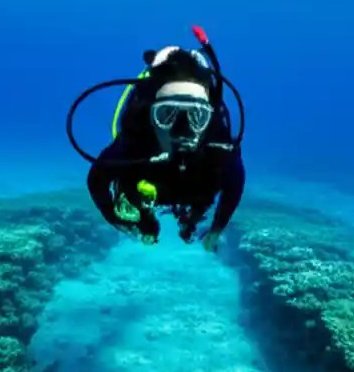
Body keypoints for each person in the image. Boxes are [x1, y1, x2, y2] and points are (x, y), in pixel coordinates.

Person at [66, 26, 246, 252]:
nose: (183, 129)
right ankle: (148, 223)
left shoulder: (219, 148)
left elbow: (234, 187)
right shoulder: (134, 141)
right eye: (167, 114)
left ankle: (188, 222)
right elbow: (97, 179)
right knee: (138, 209)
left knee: (199, 206)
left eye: (196, 116)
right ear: (150, 115)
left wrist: (215, 231)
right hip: (148, 183)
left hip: (195, 186)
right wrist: (115, 219)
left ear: (209, 118)